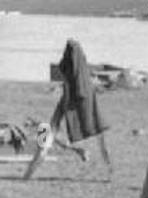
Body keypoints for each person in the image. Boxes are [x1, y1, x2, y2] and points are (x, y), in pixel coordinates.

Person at [24, 39, 112, 178]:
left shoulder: (74, 71)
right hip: (71, 97)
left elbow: (68, 73)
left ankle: (30, 170)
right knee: (48, 129)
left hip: (70, 98)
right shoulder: (80, 73)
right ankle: (32, 169)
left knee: (47, 130)